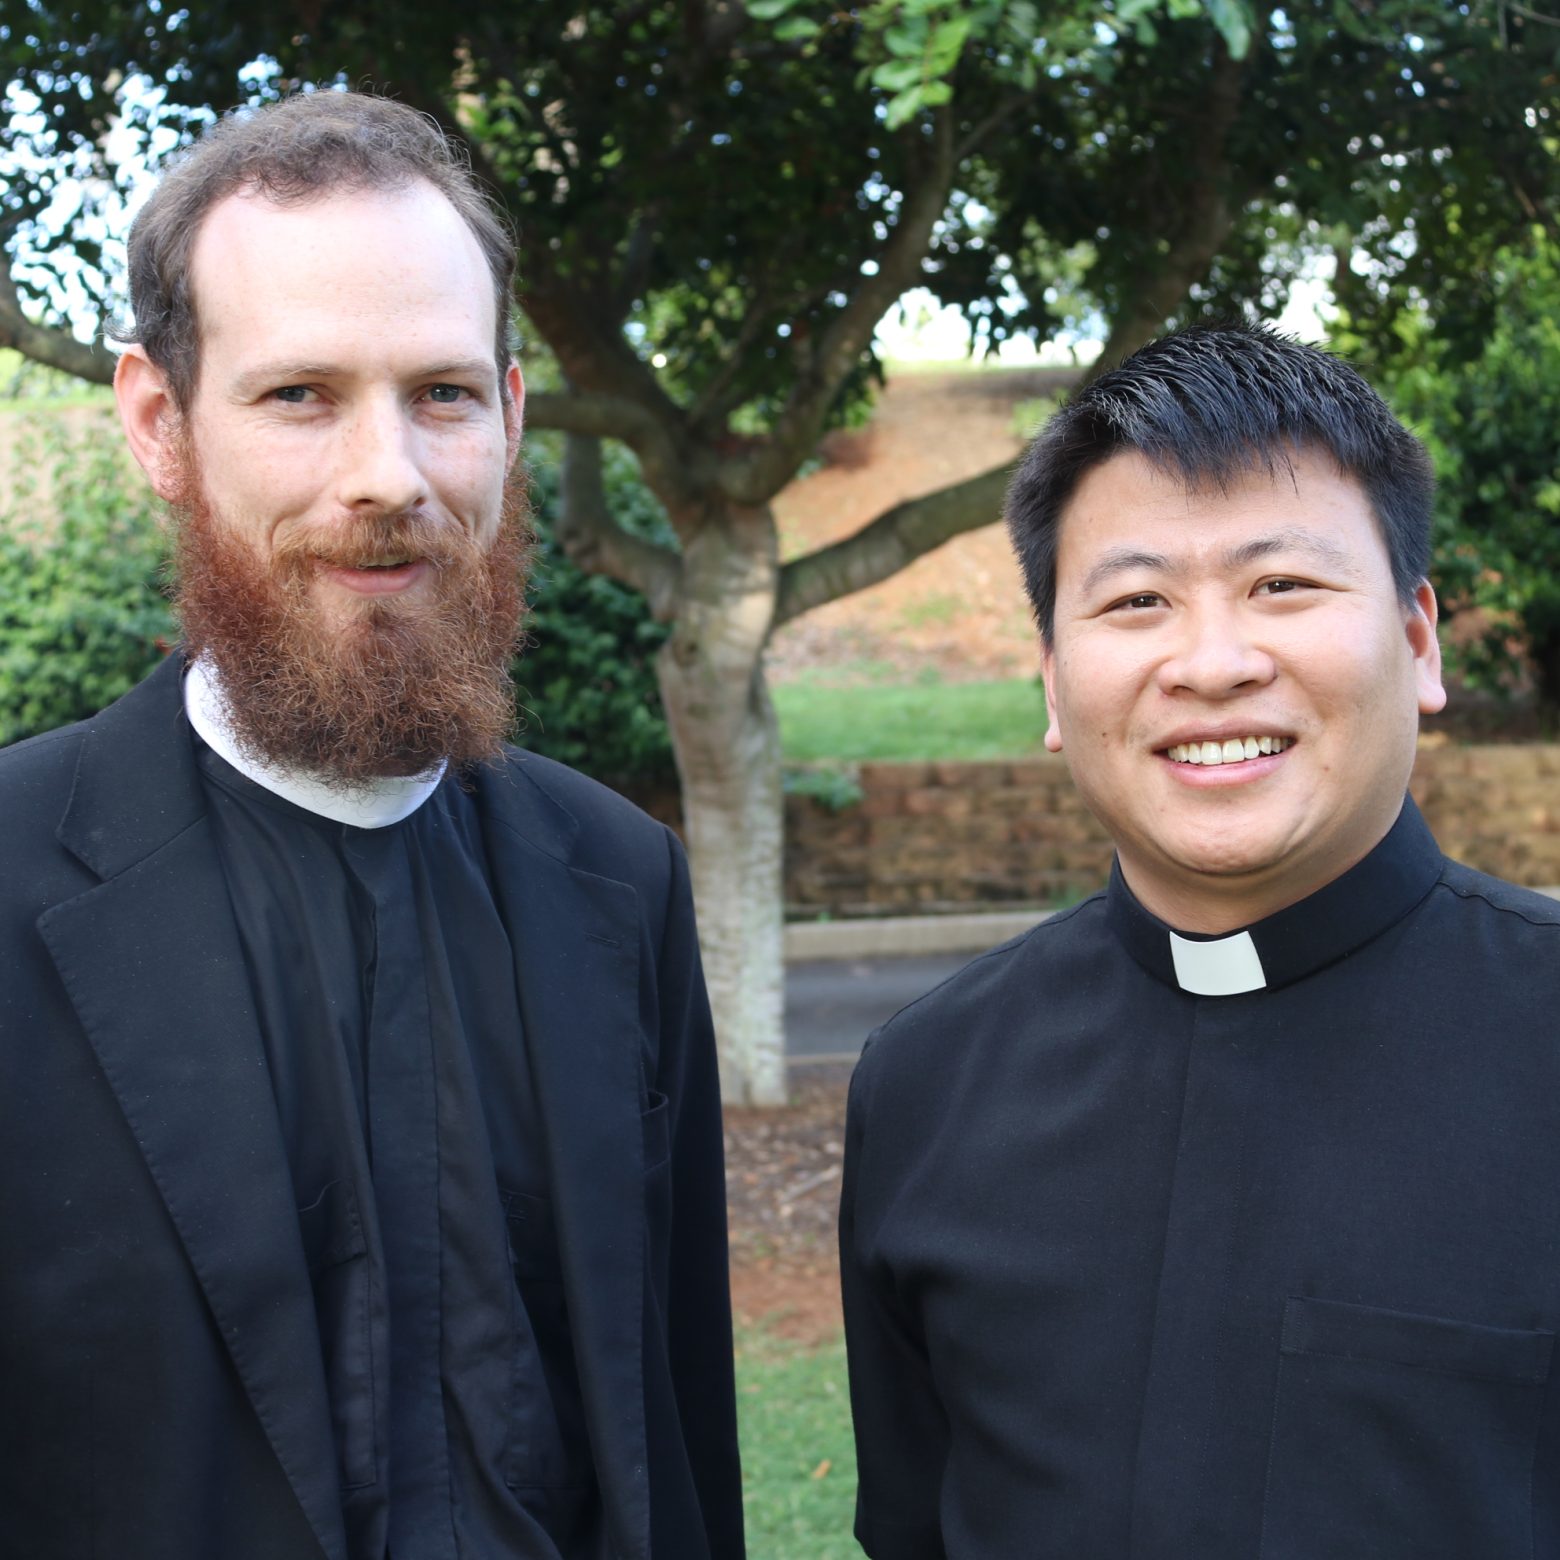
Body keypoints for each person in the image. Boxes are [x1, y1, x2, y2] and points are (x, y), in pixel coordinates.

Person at [0, 91, 743, 1560]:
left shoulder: (621, 881)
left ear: (511, 419)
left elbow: (677, 1431)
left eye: (442, 395)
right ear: (160, 426)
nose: (388, 477)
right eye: (300, 395)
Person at [839, 323, 1560, 1559]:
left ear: (1417, 640)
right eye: (1138, 602)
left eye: (1283, 585)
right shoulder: (927, 1083)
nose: (1212, 664)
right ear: (1053, 684)